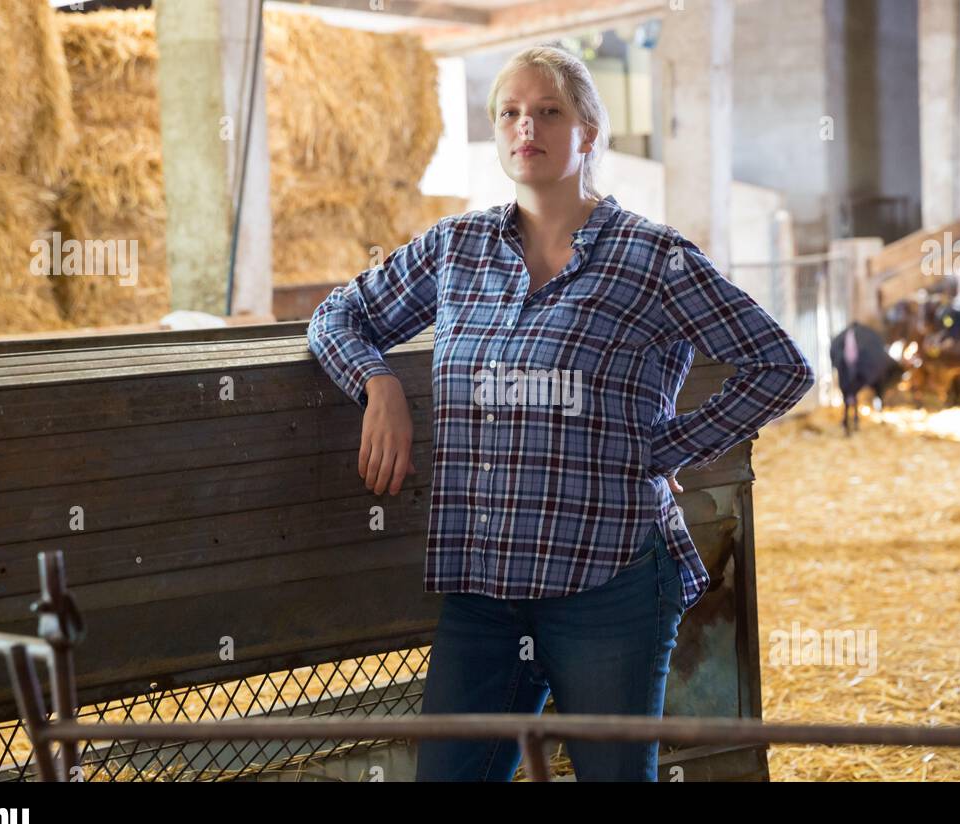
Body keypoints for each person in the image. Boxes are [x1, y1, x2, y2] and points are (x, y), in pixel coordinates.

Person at [307, 45, 814, 781]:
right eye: (510, 112)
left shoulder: (652, 258)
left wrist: (666, 446)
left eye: (548, 111)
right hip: (483, 586)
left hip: (607, 581)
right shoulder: (457, 248)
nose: (526, 127)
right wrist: (378, 383)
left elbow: (780, 364)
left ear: (588, 133)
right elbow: (336, 318)